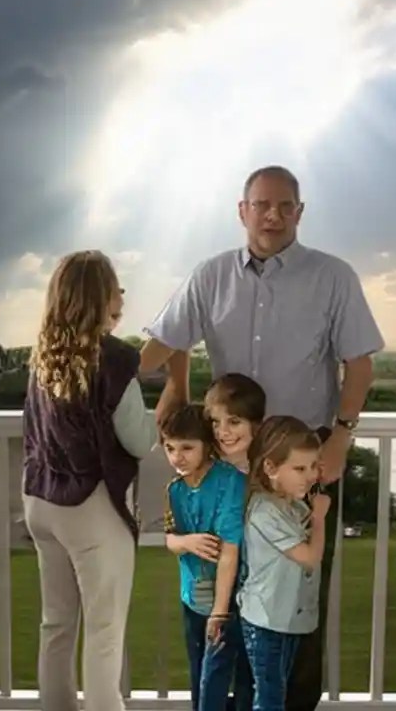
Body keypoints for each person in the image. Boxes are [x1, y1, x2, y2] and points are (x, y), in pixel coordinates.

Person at [140, 165, 383, 710]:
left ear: (300, 212)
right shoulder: (210, 275)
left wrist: (341, 437)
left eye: (285, 205)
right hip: (229, 460)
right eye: (262, 204)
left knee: (293, 595)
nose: (273, 215)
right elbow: (164, 340)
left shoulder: (333, 276)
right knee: (222, 592)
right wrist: (173, 387)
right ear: (242, 210)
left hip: (299, 461)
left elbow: (360, 367)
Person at [22, 250, 157, 711]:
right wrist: (170, 407)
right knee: (104, 633)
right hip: (90, 507)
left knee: (56, 626)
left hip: (40, 500)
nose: (122, 297)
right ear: (99, 297)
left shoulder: (44, 351)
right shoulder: (114, 359)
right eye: (116, 289)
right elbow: (140, 441)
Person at [238, 416, 329, 711]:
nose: (310, 475)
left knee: (278, 691)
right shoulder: (265, 510)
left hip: (286, 619)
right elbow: (309, 557)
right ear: (270, 468)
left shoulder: (291, 504)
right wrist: (319, 518)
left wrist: (311, 508)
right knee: (269, 697)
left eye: (314, 466)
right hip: (266, 620)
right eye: (300, 468)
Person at [159, 402, 246, 711]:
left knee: (225, 679)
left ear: (207, 446)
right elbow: (169, 538)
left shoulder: (230, 482)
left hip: (228, 601)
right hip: (191, 598)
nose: (176, 457)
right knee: (200, 677)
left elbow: (230, 549)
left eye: (186, 447)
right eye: (169, 448)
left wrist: (220, 612)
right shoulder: (175, 489)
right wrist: (186, 542)